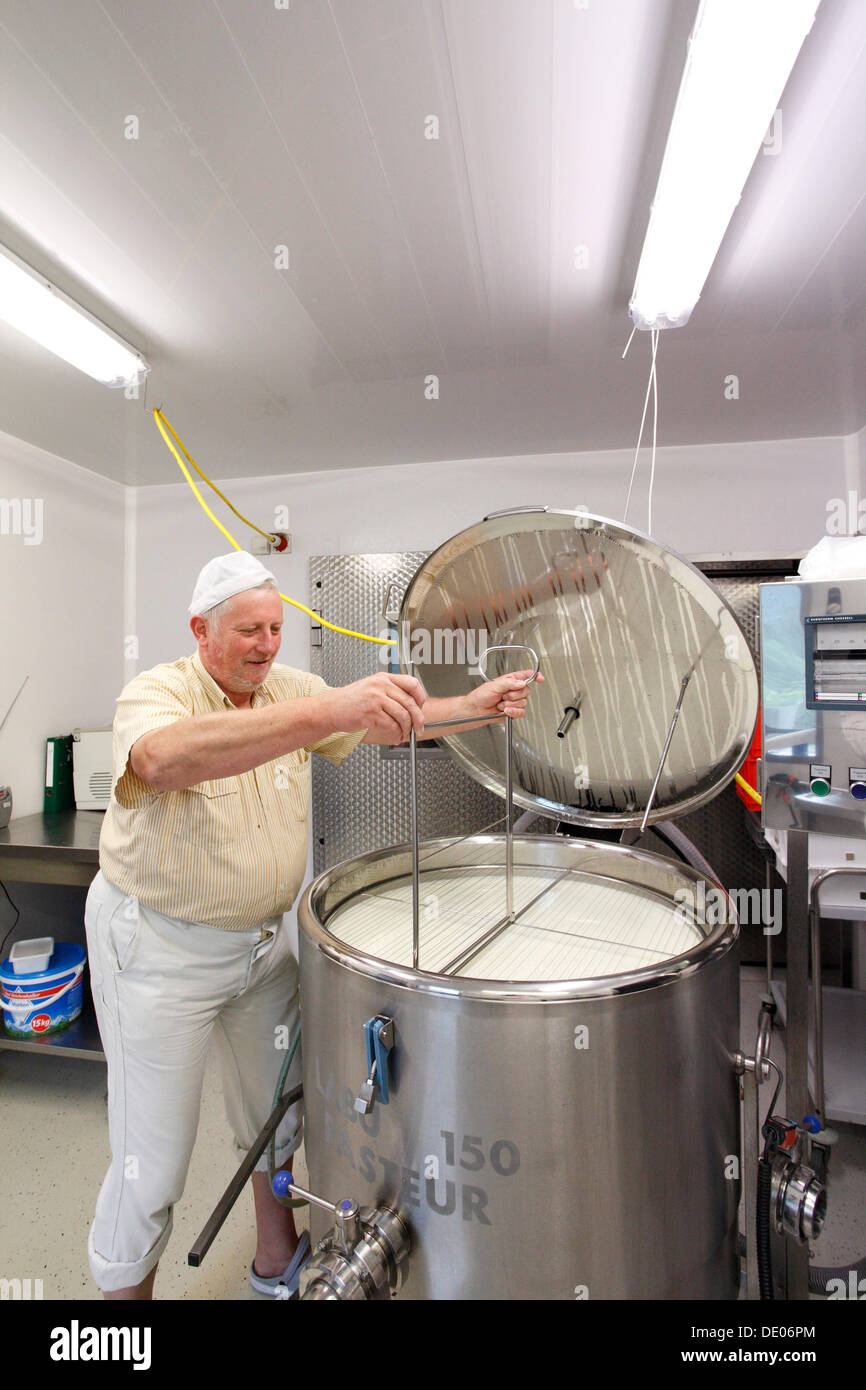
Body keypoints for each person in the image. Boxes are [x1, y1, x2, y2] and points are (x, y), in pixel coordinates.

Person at [84, 551, 541, 1300]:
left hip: (260, 948)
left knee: (281, 1109)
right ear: (201, 631)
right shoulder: (158, 691)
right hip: (158, 949)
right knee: (152, 1164)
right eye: (247, 632)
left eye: (274, 629)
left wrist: (480, 704)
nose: (266, 645)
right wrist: (326, 711)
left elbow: (394, 720)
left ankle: (275, 1260)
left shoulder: (287, 688)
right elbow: (162, 760)